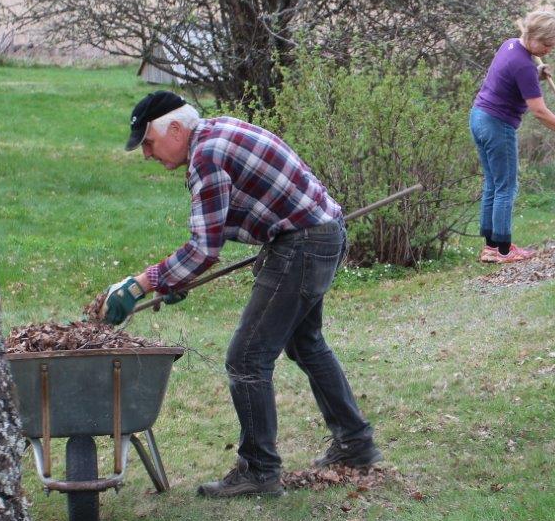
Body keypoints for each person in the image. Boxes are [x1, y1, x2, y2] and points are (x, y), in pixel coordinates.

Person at [98, 90, 381, 499]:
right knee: (305, 344)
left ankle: (260, 470)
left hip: (301, 243)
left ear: (174, 129)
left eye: (148, 143)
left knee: (246, 357)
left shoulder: (205, 157)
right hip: (322, 232)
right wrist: (172, 279)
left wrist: (143, 282)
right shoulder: (215, 135)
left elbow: (203, 250)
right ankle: (356, 443)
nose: (147, 154)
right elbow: (221, 225)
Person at [470, 10, 555, 264]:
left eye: (552, 46)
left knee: (493, 184)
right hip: (497, 126)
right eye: (546, 44)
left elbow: (513, 79)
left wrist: (537, 76)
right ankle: (503, 250)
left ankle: (491, 247)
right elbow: (540, 112)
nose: (548, 50)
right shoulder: (524, 64)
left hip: (478, 117)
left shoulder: (510, 45)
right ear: (533, 37)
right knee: (506, 187)